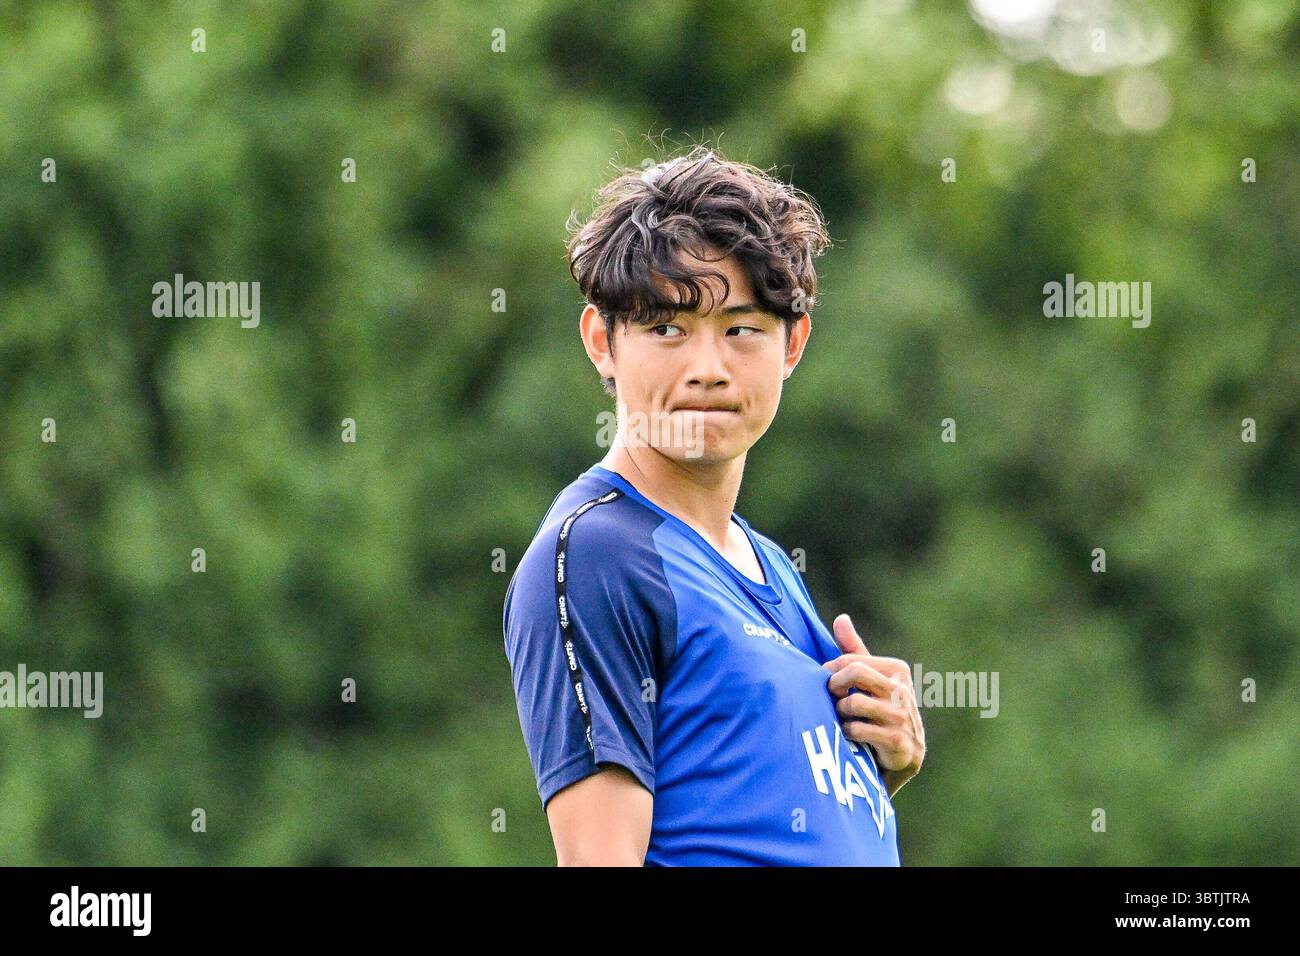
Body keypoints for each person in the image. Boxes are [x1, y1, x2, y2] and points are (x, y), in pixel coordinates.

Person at [503, 145, 925, 865]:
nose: (707, 369)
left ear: (793, 345)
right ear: (602, 341)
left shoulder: (761, 560)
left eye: (742, 329)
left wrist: (885, 767)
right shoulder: (602, 555)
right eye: (667, 328)